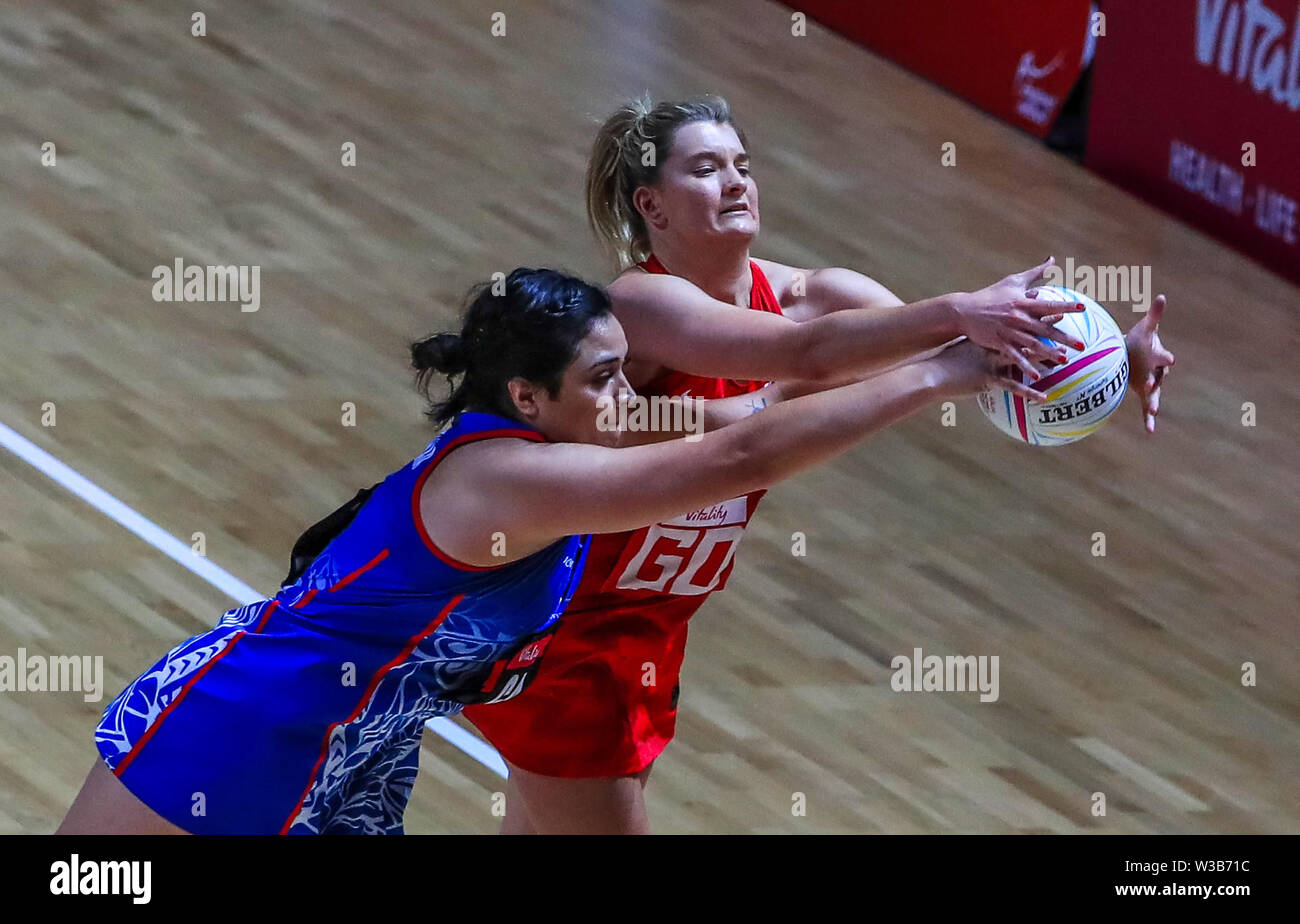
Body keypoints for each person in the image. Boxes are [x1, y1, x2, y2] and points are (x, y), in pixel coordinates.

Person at [56, 266, 1034, 835]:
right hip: (234, 736)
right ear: (528, 397)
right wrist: (944, 369)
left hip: (354, 754)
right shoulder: (512, 480)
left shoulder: (576, 430)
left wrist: (1021, 349)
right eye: (606, 378)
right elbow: (739, 454)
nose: (630, 396)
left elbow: (780, 391)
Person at [464, 94, 1176, 834]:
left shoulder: (821, 298)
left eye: (743, 165)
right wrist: (958, 308)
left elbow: (968, 364)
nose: (736, 181)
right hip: (559, 622)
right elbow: (810, 355)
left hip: (650, 627)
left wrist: (1105, 364)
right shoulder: (640, 303)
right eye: (705, 169)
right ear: (653, 205)